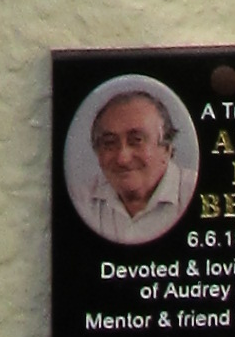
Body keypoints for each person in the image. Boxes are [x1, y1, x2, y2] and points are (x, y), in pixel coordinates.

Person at [69, 81, 198, 247]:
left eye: (136, 140)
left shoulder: (194, 193)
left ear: (166, 149)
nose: (122, 158)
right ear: (97, 152)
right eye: (110, 143)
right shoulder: (82, 201)